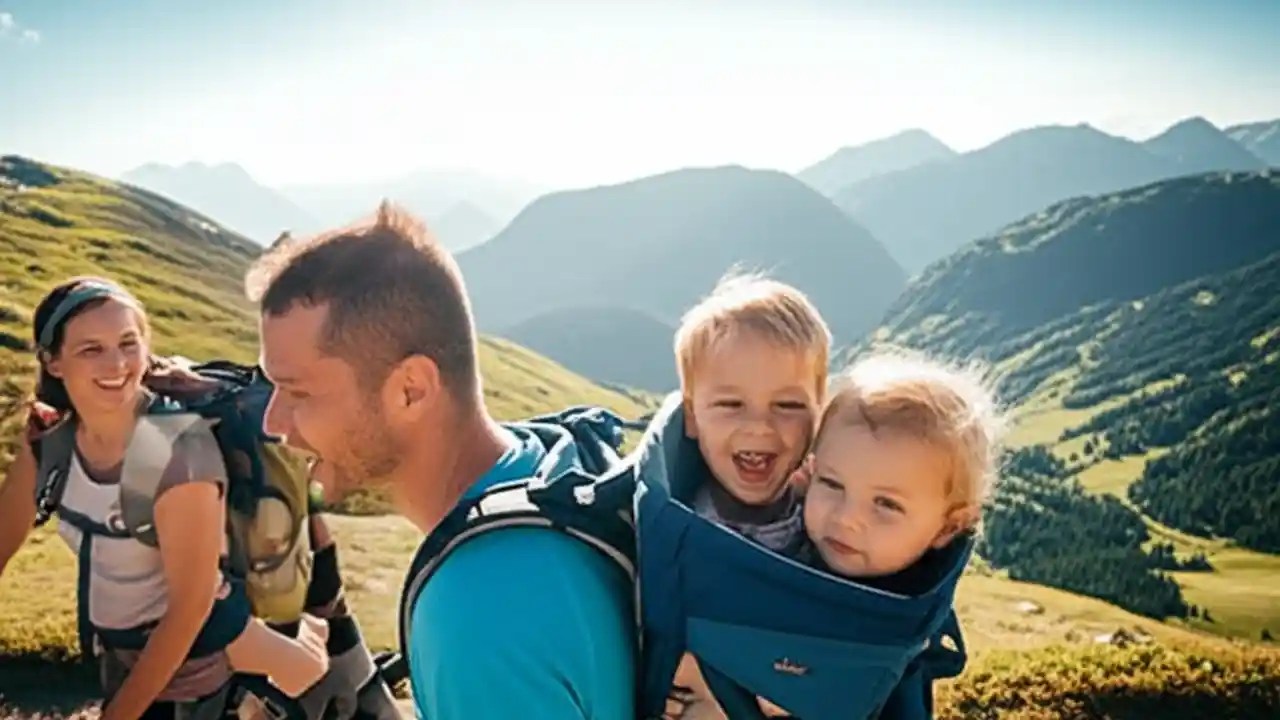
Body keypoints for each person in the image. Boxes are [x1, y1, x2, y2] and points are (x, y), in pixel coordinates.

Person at [245, 202, 636, 719]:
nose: (272, 422)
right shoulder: (547, 466)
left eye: (297, 392)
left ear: (411, 389)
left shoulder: (476, 609)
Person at [0, 277, 330, 719]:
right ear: (53, 362)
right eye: (90, 350)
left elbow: (189, 610)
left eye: (127, 343)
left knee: (308, 684)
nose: (116, 364)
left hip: (197, 657)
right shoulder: (49, 439)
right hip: (122, 653)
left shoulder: (178, 452)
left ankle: (314, 659)